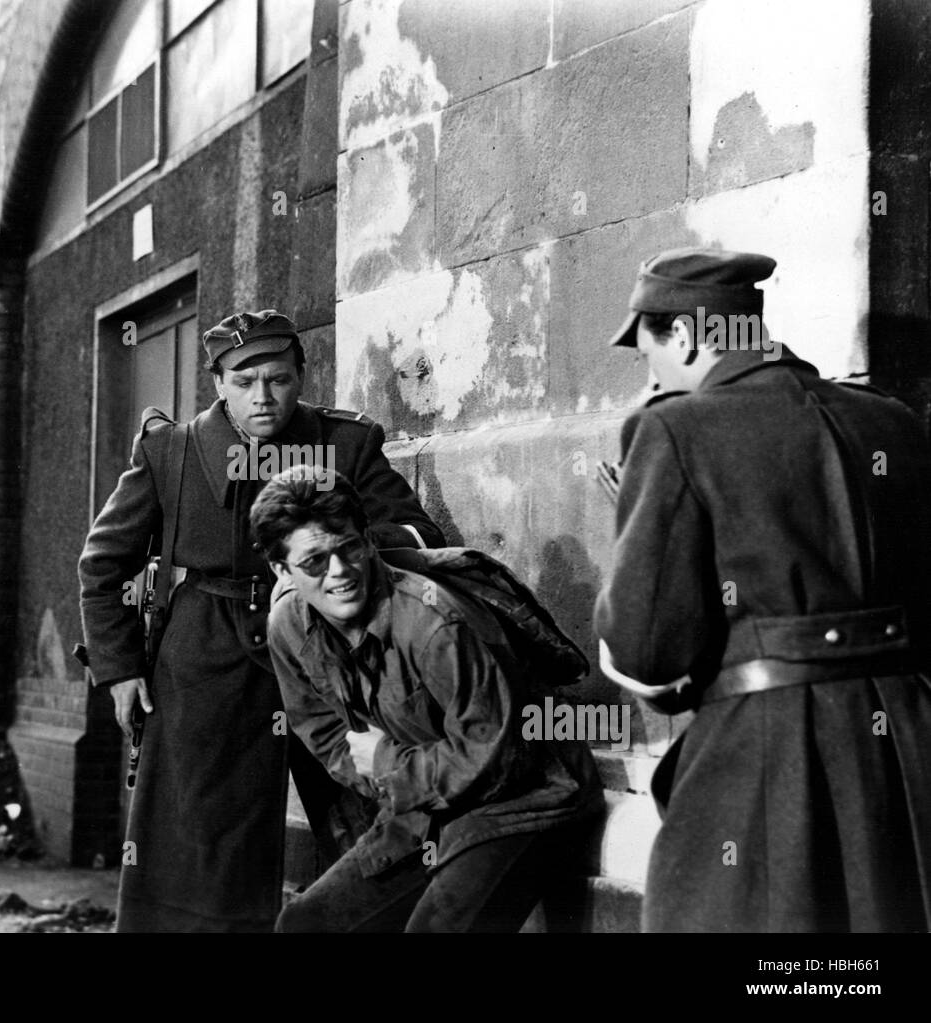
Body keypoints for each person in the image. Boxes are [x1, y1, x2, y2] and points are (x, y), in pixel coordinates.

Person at [594, 247, 931, 932]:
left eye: (648, 350)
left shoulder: (674, 428)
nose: (651, 372)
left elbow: (648, 648)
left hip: (768, 758)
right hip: (908, 751)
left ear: (684, 335)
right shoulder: (892, 419)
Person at [78, 309, 444, 932]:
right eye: (243, 383)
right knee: (200, 840)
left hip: (328, 647)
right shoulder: (171, 453)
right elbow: (101, 564)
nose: (262, 397)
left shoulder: (346, 443)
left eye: (277, 379)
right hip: (205, 654)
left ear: (301, 375)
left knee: (369, 809)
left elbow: (416, 535)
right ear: (218, 383)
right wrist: (118, 668)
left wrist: (327, 555)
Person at [254, 465, 603, 932]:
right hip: (421, 809)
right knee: (304, 925)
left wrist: (384, 764)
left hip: (524, 802)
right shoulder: (289, 626)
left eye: (350, 548)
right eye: (315, 561)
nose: (340, 573)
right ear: (282, 569)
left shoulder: (436, 623)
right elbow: (324, 734)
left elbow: (490, 757)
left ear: (369, 539)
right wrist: (390, 781)